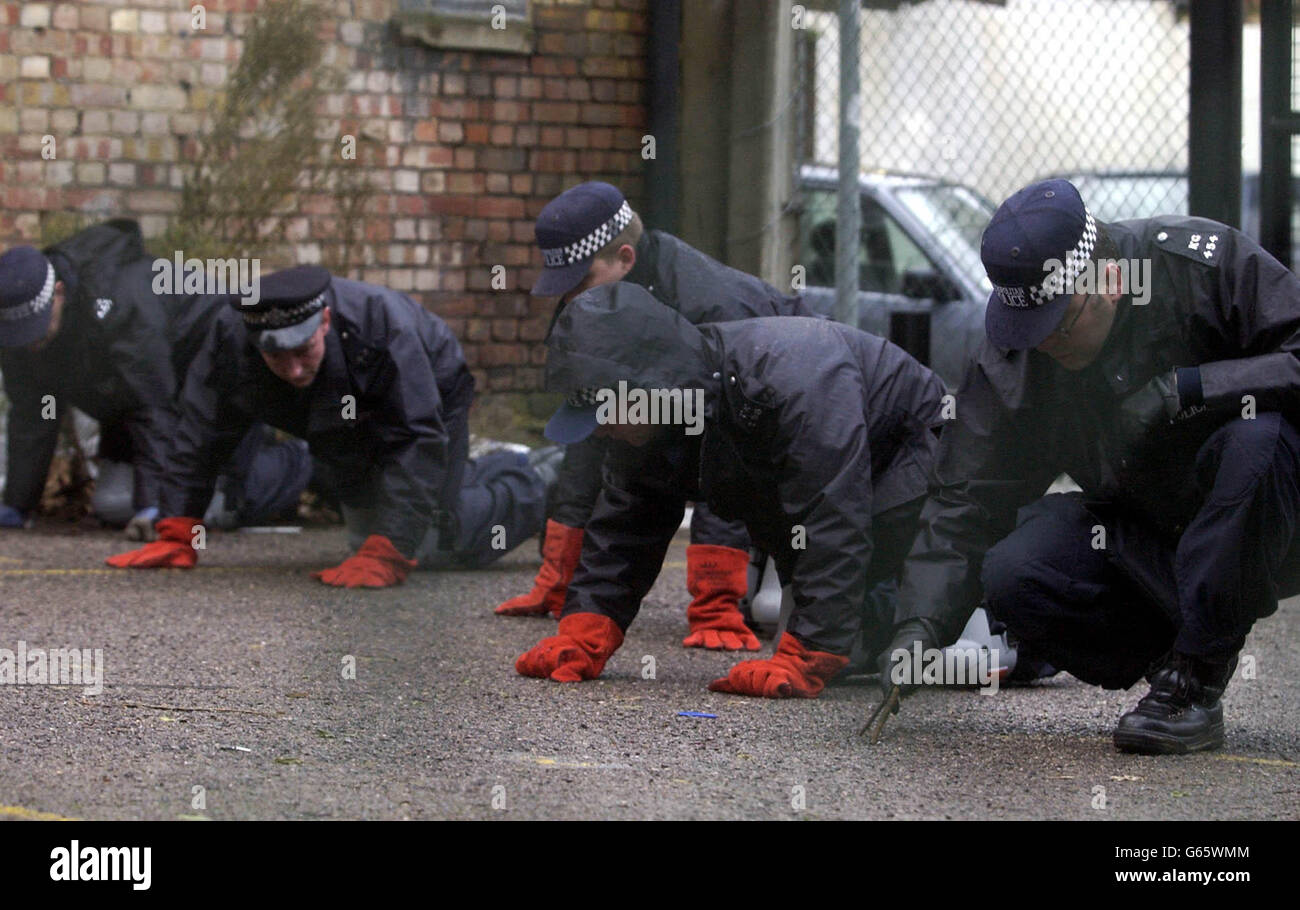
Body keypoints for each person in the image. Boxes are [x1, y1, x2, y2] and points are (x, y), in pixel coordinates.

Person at [883, 178, 1300, 753]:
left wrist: (1192, 388)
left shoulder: (1199, 264)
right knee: (1014, 571)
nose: (1046, 344)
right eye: (1032, 331)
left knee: (1258, 439)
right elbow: (969, 491)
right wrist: (919, 628)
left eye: (1059, 323)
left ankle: (1196, 679)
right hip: (1147, 532)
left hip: (1268, 516)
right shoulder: (1026, 351)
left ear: (1108, 279)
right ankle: (1174, 660)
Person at [514, 282, 947, 696]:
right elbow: (627, 521)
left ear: (650, 387)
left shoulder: (786, 384)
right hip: (841, 480)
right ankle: (872, 631)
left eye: (605, 413)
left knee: (836, 628)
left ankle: (957, 620)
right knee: (827, 631)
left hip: (915, 454)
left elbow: (833, 515)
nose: (601, 430)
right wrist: (586, 628)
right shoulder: (664, 409)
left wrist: (810, 653)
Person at [496, 182, 815, 654]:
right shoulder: (589, 306)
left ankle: (745, 596)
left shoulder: (710, 307)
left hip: (791, 420)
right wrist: (559, 576)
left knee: (709, 457)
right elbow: (586, 438)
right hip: (729, 424)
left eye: (578, 283)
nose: (567, 300)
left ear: (625, 258)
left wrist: (715, 602)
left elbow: (725, 451)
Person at [105, 265, 552, 586]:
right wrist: (178, 523)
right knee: (364, 537)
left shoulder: (383, 328)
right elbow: (203, 431)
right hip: (334, 417)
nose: (294, 369)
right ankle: (493, 468)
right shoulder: (231, 336)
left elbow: (416, 438)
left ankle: (543, 479)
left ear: (324, 321)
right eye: (277, 357)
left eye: (303, 351)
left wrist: (392, 546)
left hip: (429, 396)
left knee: (431, 541)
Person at [0, 221, 310, 539]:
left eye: (37, 330)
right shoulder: (19, 331)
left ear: (59, 294)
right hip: (145, 405)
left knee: (210, 509)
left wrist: (157, 506)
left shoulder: (122, 299)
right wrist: (18, 505)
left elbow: (153, 400)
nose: (30, 344)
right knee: (113, 505)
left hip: (214, 380)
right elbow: (32, 414)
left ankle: (303, 461)